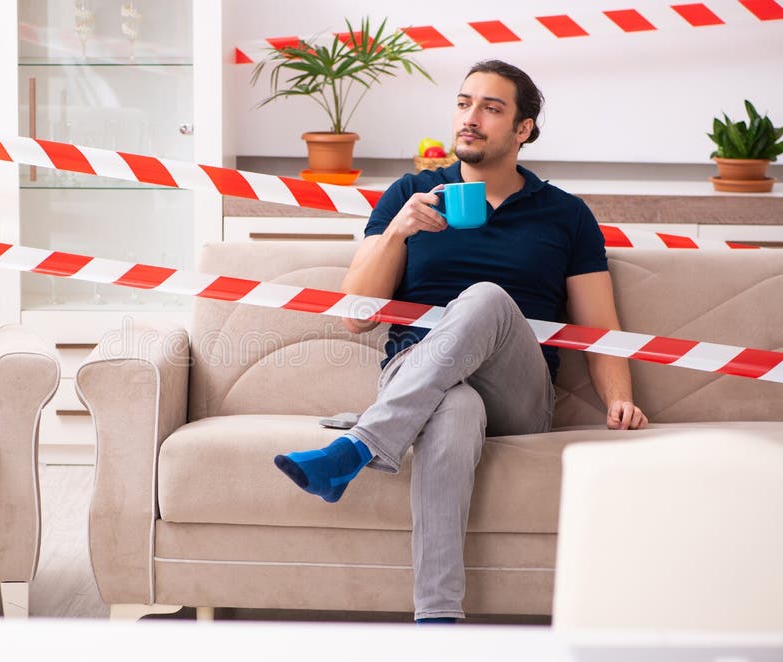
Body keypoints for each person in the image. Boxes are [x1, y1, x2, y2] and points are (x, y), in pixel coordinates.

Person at [274, 59, 648, 624]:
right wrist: (399, 229)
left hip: (517, 392)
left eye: (491, 108)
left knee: (487, 298)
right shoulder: (411, 194)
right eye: (464, 103)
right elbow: (356, 318)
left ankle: (359, 446)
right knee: (455, 405)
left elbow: (600, 328)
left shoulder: (566, 215)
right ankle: (438, 621)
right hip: (418, 372)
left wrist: (620, 399)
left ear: (523, 129)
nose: (470, 118)